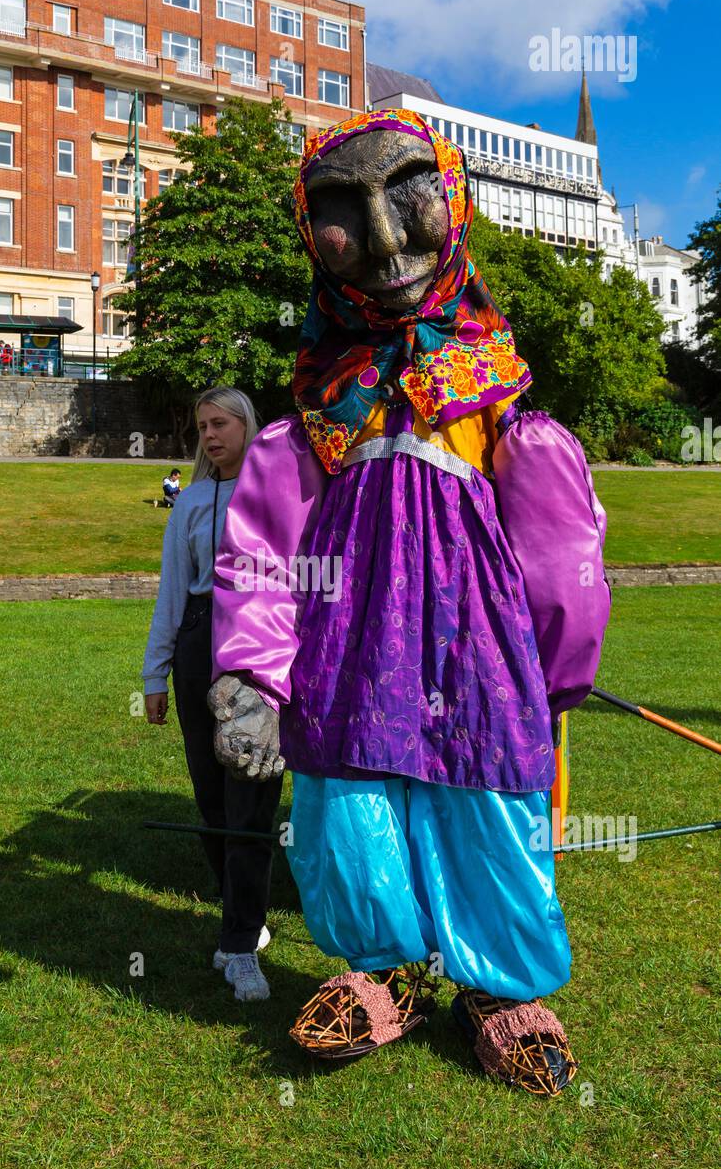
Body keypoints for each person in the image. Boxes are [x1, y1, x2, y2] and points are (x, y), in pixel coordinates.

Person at [207, 110, 611, 1092]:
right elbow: (264, 549)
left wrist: (557, 667)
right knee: (348, 812)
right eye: (344, 209)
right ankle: (383, 971)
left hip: (477, 657)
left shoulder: (490, 392)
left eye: (406, 195)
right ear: (311, 230)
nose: (385, 240)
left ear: (455, 199)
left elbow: (558, 543)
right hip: (346, 658)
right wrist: (252, 674)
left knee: (485, 810)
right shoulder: (313, 413)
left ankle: (498, 987)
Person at [142, 387, 284, 1003]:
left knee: (251, 795)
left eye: (220, 423)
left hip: (260, 654)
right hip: (200, 648)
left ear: (247, 425)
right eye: (201, 426)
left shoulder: (281, 493)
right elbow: (171, 591)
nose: (209, 435)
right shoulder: (193, 501)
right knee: (212, 798)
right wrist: (155, 674)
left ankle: (238, 943)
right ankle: (241, 919)